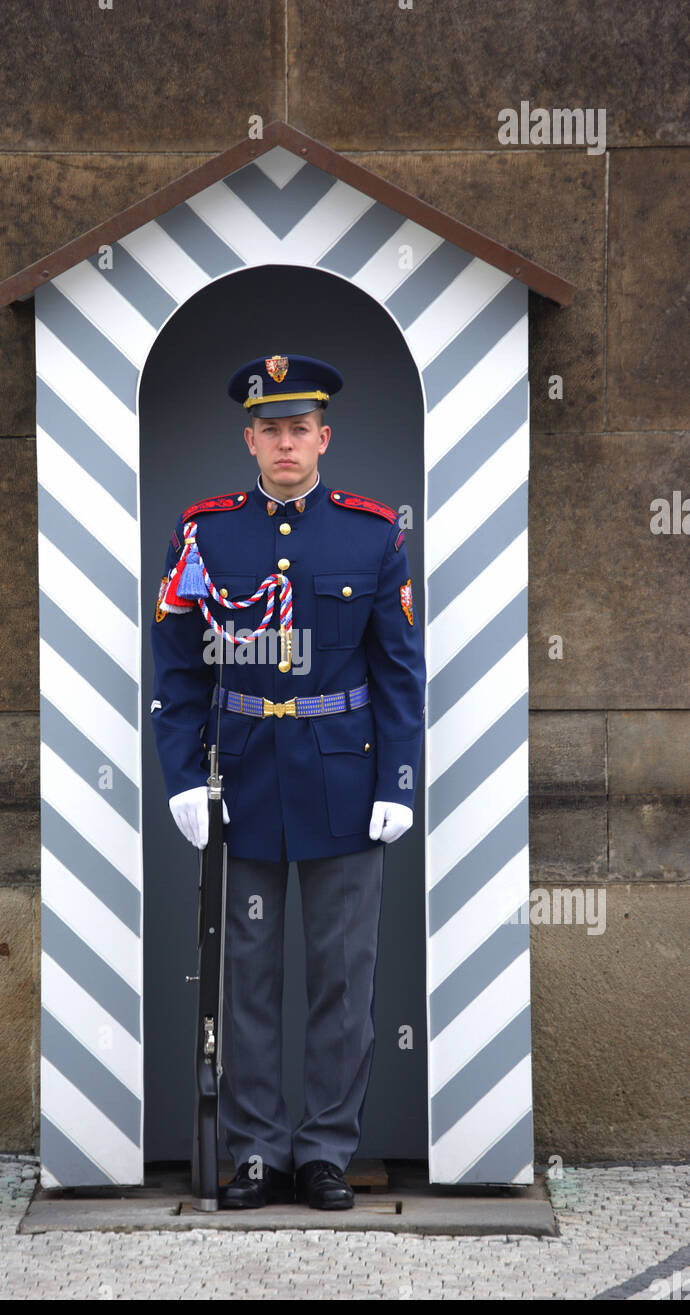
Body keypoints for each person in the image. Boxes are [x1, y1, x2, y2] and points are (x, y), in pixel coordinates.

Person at [149, 353, 426, 1210]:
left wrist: (400, 782)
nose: (285, 444)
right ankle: (259, 1153)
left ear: (323, 438)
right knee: (248, 978)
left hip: (346, 782)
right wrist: (183, 777)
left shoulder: (374, 534)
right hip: (244, 779)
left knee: (345, 980)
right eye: (270, 429)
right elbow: (179, 664)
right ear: (250, 439)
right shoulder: (204, 534)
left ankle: (326, 1155)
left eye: (299, 429)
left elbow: (398, 672)